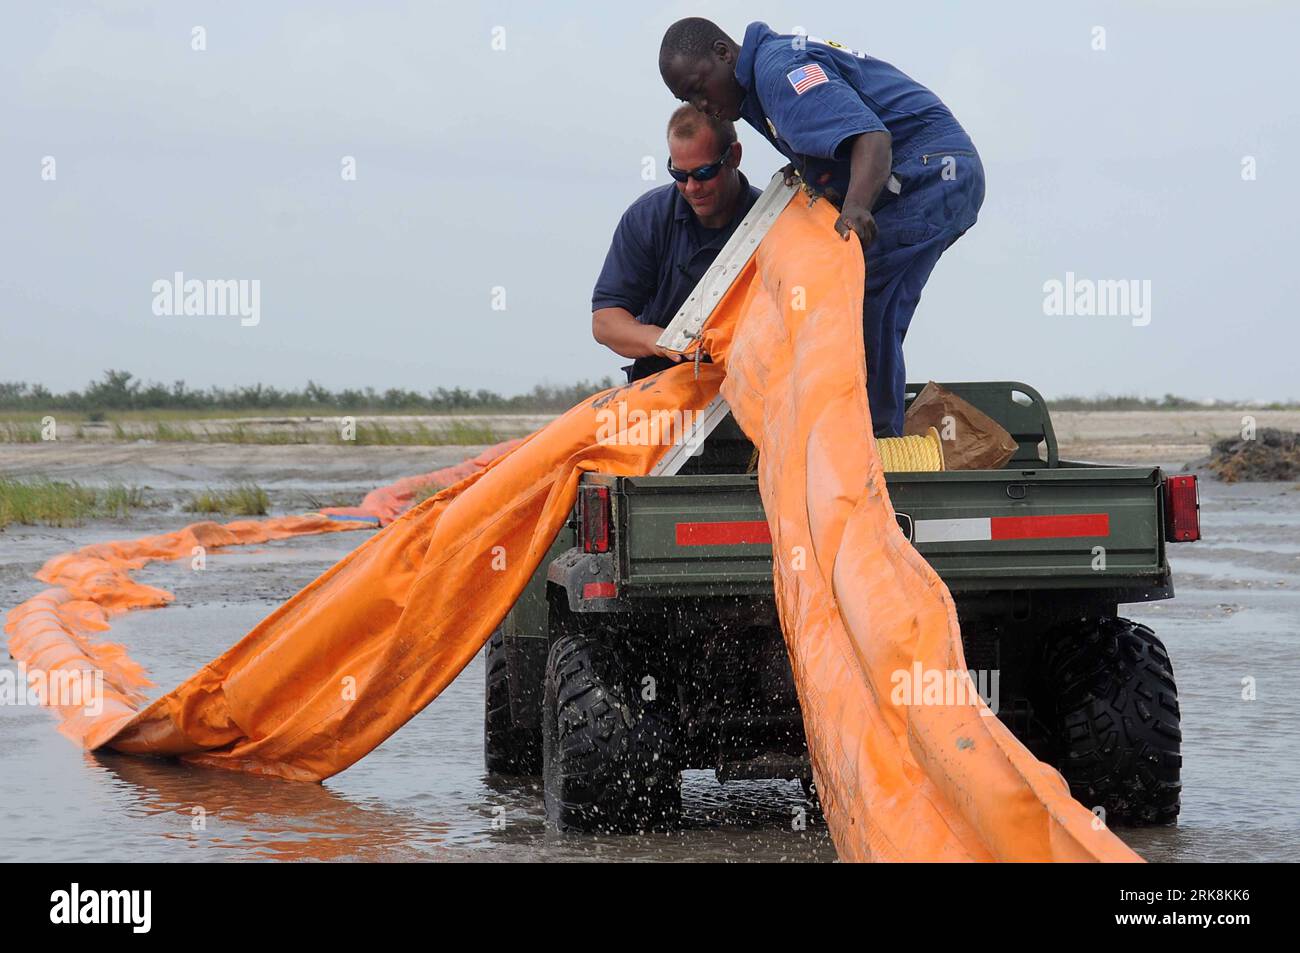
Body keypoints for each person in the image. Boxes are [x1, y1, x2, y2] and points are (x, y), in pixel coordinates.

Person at [659, 18, 985, 436]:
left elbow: (872, 140)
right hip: (919, 174)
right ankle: (862, 429)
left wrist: (855, 209)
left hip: (933, 173)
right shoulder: (759, 86)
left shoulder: (779, 76)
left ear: (724, 53)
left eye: (699, 88)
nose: (701, 105)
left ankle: (872, 438)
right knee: (855, 295)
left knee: (861, 296)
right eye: (687, 98)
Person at [592, 106, 761, 382]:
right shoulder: (646, 218)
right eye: (679, 175)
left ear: (734, 156)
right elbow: (605, 321)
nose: (692, 188)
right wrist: (658, 340)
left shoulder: (772, 223)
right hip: (661, 388)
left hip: (747, 385)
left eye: (704, 173)